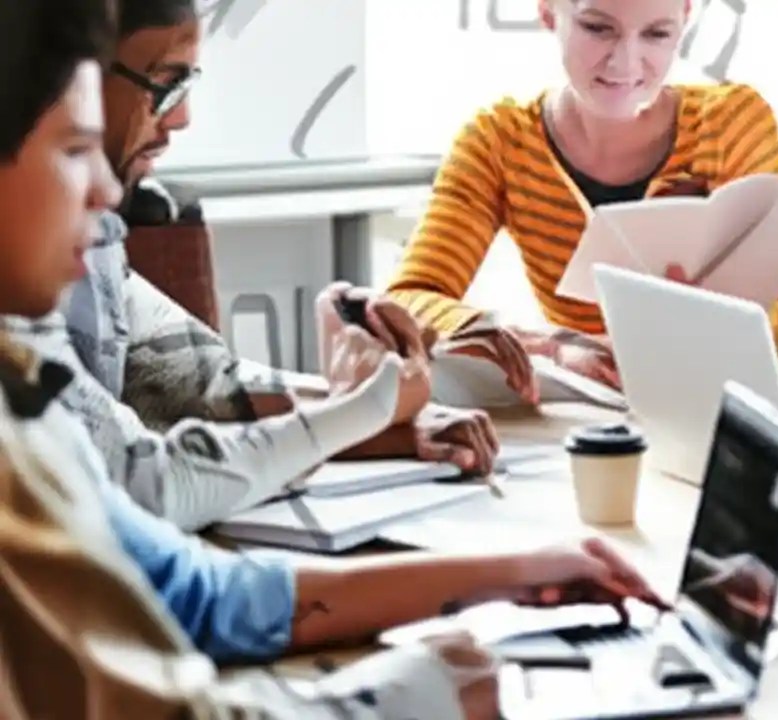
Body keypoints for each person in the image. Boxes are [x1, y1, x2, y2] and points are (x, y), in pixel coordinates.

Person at [0, 7, 665, 716]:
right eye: (75, 148)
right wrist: (420, 690)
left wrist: (518, 574)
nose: (103, 191)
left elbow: (189, 585)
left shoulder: (31, 352)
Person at [0, 0, 502, 532]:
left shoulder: (94, 236)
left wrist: (370, 406)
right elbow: (142, 481)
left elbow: (200, 380)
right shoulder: (28, 261)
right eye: (165, 84)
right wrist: (359, 412)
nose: (181, 117)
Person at [385, 0, 778, 397]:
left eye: (656, 34)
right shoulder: (500, 142)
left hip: (704, 404)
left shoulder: (731, 123)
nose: (625, 63)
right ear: (549, 10)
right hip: (581, 414)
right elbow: (407, 299)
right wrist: (545, 347)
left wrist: (696, 319)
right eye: (597, 28)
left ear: (685, 16)